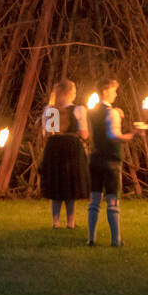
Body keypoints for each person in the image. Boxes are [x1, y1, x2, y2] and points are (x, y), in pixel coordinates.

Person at [86, 78, 137, 247]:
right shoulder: (112, 113)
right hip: (110, 161)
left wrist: (117, 113)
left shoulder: (92, 111)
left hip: (95, 158)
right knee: (113, 201)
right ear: (106, 91)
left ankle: (91, 239)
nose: (116, 94)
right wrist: (133, 134)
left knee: (94, 201)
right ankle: (116, 240)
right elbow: (113, 135)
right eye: (114, 90)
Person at [39, 80, 90, 229]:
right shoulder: (79, 110)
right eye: (74, 92)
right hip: (71, 148)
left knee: (56, 184)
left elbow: (49, 132)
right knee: (70, 185)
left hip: (54, 148)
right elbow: (84, 134)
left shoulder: (50, 109)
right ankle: (70, 222)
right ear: (69, 93)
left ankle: (56, 222)